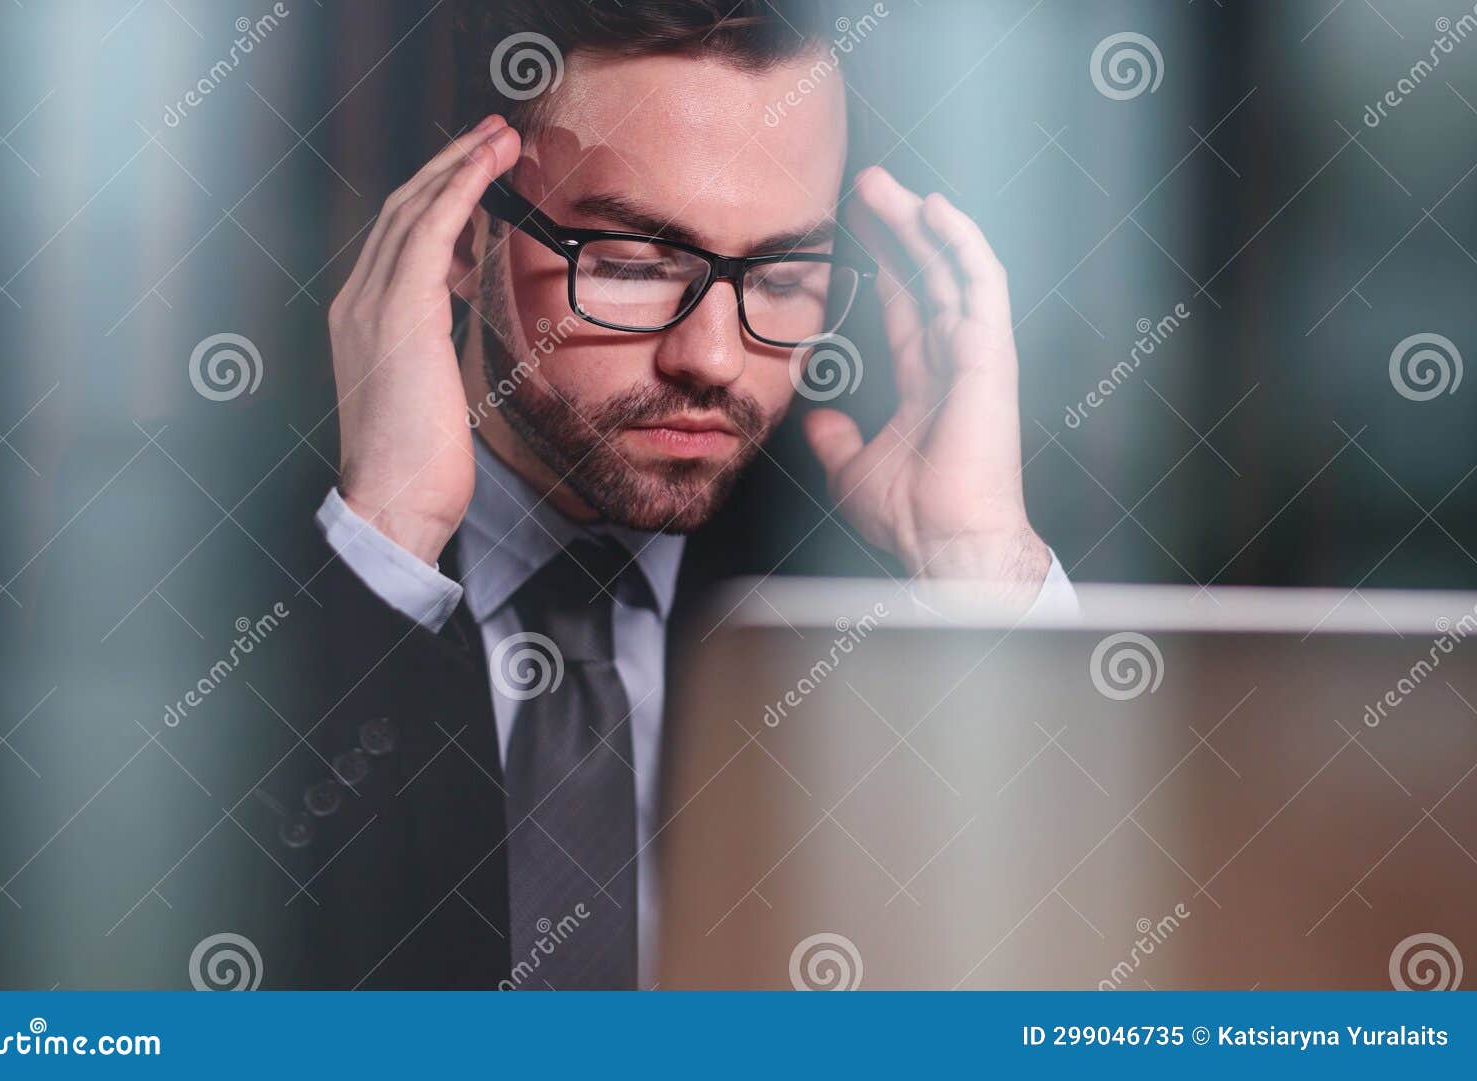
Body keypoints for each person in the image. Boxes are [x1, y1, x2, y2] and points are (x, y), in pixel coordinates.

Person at [263, 0, 1076, 990]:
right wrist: (386, 542)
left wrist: (980, 561)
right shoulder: (221, 579)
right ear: (466, 246)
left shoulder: (846, 599)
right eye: (635, 267)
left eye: (782, 275)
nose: (713, 355)